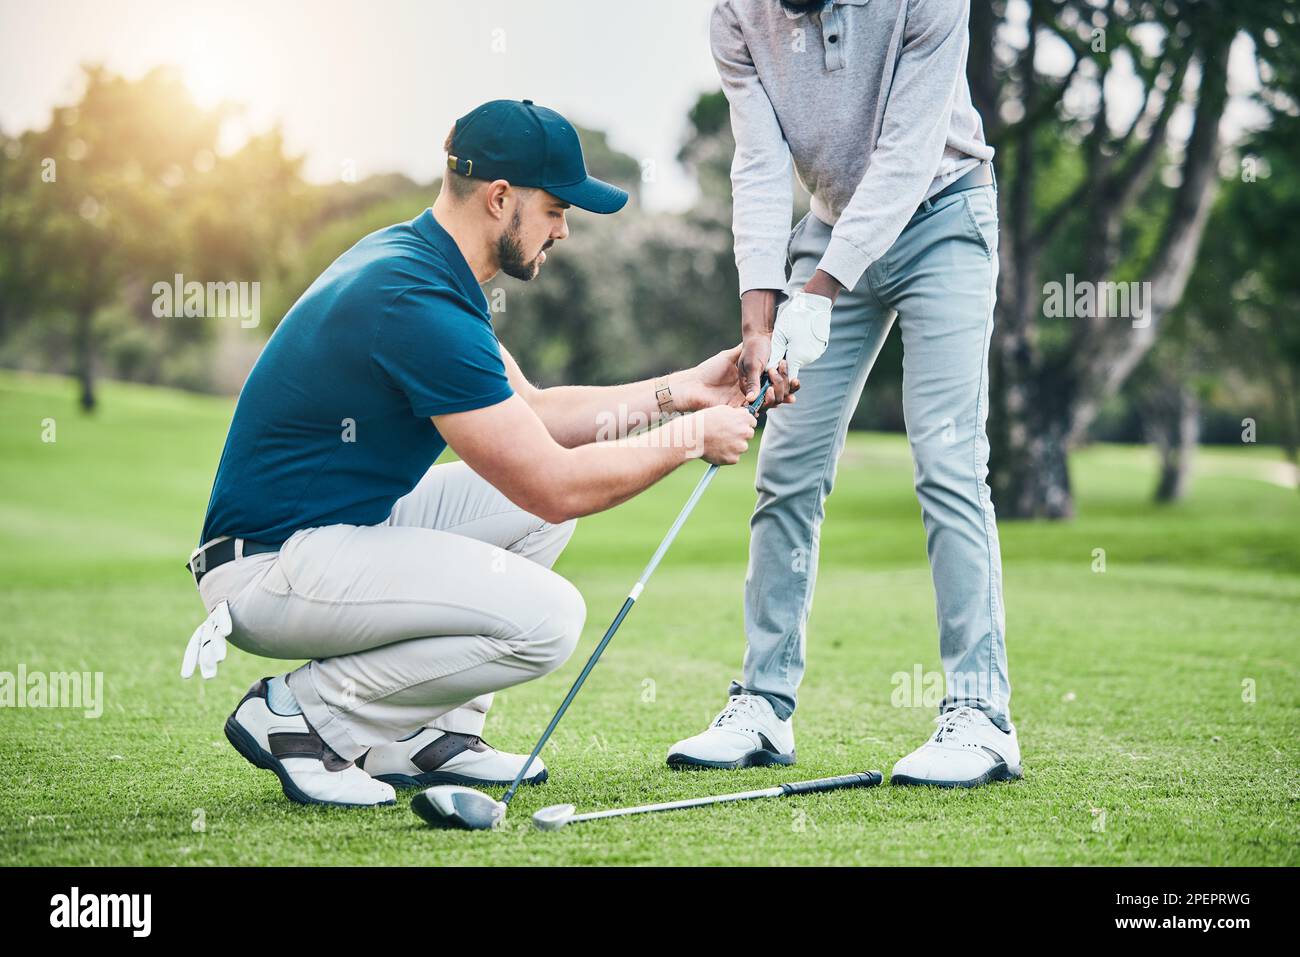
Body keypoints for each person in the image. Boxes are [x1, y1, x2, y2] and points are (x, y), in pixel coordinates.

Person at [182, 99, 784, 807]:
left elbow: (531, 416)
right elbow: (554, 482)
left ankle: (425, 734)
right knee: (548, 618)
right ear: (502, 199)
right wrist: (690, 440)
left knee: (530, 517)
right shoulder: (418, 303)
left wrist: (684, 390)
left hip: (324, 538)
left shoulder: (422, 263)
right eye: (556, 208)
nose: (564, 228)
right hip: (270, 568)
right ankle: (304, 715)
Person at [668, 0, 1021, 788]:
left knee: (948, 460)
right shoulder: (736, 15)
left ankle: (981, 716)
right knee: (785, 468)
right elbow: (758, 164)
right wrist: (759, 318)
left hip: (943, 211)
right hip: (827, 228)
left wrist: (818, 295)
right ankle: (763, 705)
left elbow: (907, 150)